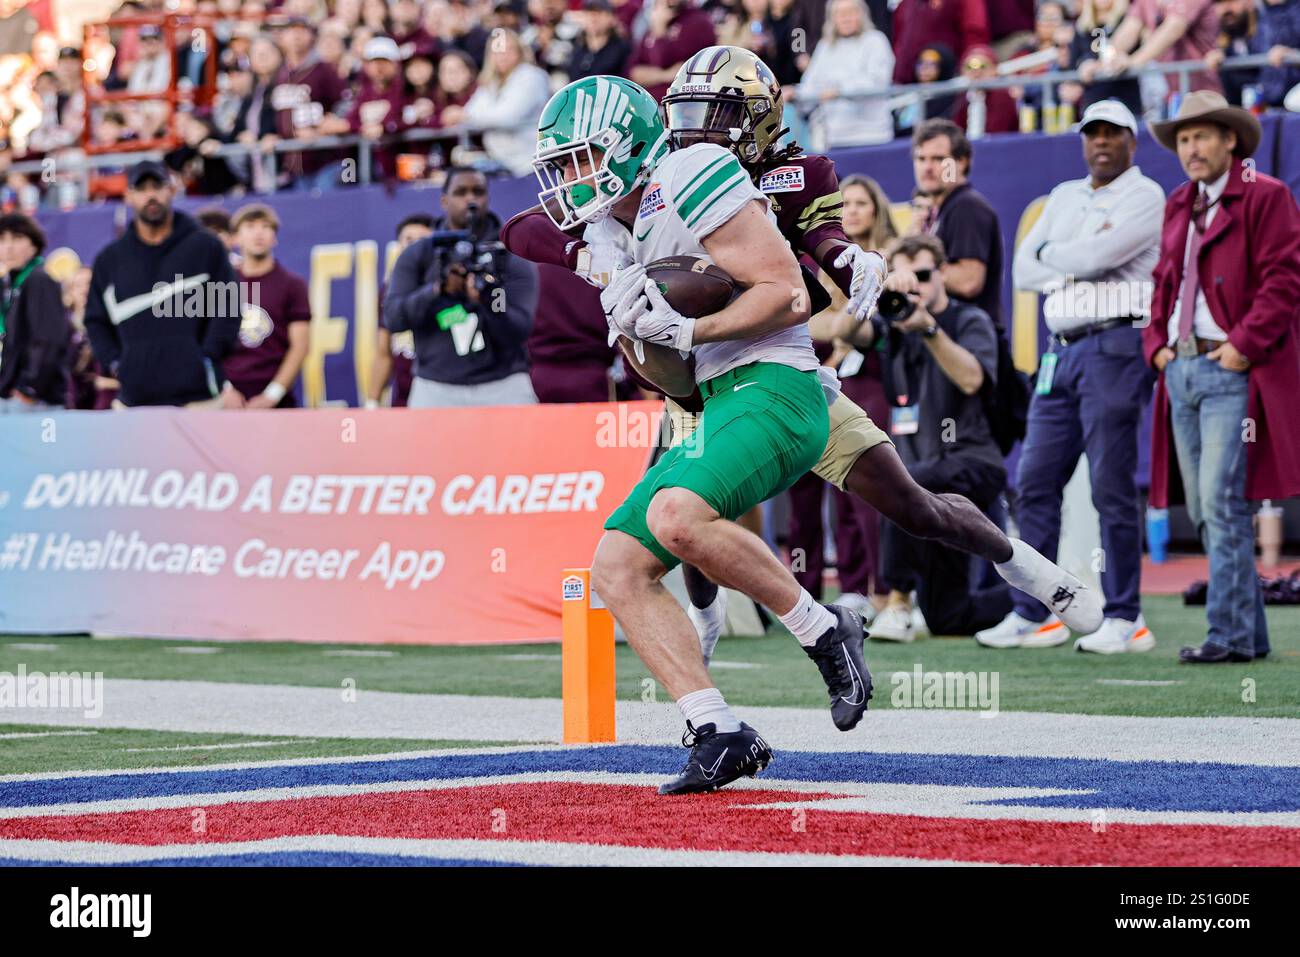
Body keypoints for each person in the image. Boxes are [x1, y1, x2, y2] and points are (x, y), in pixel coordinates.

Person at [535, 74, 868, 795]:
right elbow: (676, 380)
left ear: (625, 149)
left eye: (577, 159)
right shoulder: (609, 232)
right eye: (560, 165)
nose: (566, 179)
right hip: (711, 399)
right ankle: (716, 726)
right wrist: (636, 332)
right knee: (616, 566)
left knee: (676, 515)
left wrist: (688, 324)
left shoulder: (688, 169)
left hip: (778, 385)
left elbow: (789, 294)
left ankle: (822, 626)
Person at [990, 99, 1165, 653]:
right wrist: (1074, 255)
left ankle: (1125, 616)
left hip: (1116, 341)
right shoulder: (1065, 194)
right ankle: (1034, 612)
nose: (1102, 142)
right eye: (1093, 133)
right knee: (1036, 481)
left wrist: (1056, 254)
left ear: (1132, 142)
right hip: (1058, 351)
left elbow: (1098, 257)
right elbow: (1024, 268)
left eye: (1113, 133)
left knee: (1112, 484)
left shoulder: (1145, 194)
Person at [1144, 91, 1300, 663]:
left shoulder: (1268, 195)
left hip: (1229, 369)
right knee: (1211, 507)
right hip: (1181, 369)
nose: (1191, 148)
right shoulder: (1179, 202)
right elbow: (1163, 282)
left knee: (1218, 500)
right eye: (1183, 139)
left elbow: (1285, 279)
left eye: (1203, 136)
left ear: (1231, 140)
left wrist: (1242, 345)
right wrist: (1156, 347)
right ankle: (1250, 637)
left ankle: (1228, 636)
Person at [865, 234, 1016, 641]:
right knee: (949, 616)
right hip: (926, 485)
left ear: (944, 274)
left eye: (924, 274)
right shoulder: (891, 323)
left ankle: (896, 601)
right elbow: (841, 329)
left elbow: (971, 379)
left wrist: (928, 328)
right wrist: (877, 281)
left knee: (898, 483)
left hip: (973, 465)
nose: (916, 285)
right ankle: (1034, 600)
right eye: (906, 276)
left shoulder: (968, 321)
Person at [83, 161, 242, 408]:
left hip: (201, 399)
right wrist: (117, 364)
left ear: (172, 190)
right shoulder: (109, 260)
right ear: (128, 196)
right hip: (135, 402)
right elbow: (95, 321)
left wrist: (207, 357)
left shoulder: (206, 247)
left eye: (157, 186)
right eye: (142, 188)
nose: (151, 195)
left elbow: (228, 307)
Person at [384, 167, 539, 407]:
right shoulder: (418, 254)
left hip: (503, 384)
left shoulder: (508, 252)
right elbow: (394, 318)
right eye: (461, 192)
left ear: (488, 197)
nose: (470, 198)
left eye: (478, 191)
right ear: (444, 200)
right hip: (435, 386)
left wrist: (486, 300)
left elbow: (520, 330)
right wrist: (438, 290)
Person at [911, 119, 1004, 331]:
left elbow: (968, 282)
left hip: (970, 339)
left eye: (938, 159)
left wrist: (911, 270)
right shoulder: (939, 210)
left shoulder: (966, 206)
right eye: (921, 158)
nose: (927, 167)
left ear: (961, 162)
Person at [225, 204, 311, 408]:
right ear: (235, 238)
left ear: (275, 237)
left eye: (265, 226)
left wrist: (271, 396)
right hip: (227, 402)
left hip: (277, 403)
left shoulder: (292, 284)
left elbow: (300, 346)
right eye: (250, 226)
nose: (258, 233)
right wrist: (224, 390)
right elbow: (207, 344)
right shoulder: (221, 284)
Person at [442, 28, 550, 176]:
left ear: (519, 51)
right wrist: (465, 115)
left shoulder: (531, 76)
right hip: (503, 163)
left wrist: (466, 116)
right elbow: (470, 111)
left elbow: (508, 116)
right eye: (497, 50)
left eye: (508, 49)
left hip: (532, 164)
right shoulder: (491, 82)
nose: (502, 56)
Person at [794, 0, 895, 148]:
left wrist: (840, 91)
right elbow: (811, 83)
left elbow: (877, 82)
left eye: (851, 12)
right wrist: (796, 93)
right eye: (840, 14)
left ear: (862, 15)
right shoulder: (825, 46)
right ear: (832, 18)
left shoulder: (876, 40)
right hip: (834, 137)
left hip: (872, 135)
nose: (845, 18)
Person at [0, 213, 68, 412]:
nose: (8, 246)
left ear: (34, 245)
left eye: (17, 238)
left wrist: (29, 388)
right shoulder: (10, 284)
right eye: (2, 239)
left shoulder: (39, 280)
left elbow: (48, 340)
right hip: (13, 393)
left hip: (36, 401)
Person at [366, 213, 433, 408]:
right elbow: (383, 353)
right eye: (408, 240)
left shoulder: (448, 286)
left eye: (422, 240)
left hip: (443, 394)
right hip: (404, 401)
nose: (413, 246)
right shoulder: (389, 291)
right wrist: (371, 402)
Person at [1089, 0, 1223, 94]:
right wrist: (1103, 62)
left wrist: (1132, 62)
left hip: (1203, 93)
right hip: (1171, 94)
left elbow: (1173, 30)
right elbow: (1129, 30)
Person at [627, 0, 718, 100]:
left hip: (681, 102)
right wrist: (664, 75)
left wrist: (659, 31)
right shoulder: (656, 23)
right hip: (648, 101)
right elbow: (633, 72)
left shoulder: (698, 22)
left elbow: (666, 63)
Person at [892, 0, 990, 84]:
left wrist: (969, 67)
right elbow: (900, 37)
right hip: (908, 83)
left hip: (946, 82)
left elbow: (975, 32)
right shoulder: (907, 3)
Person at [569, 0, 633, 80]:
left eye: (599, 13)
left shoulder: (623, 49)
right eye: (589, 13)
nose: (593, 19)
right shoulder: (575, 47)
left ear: (612, 18)